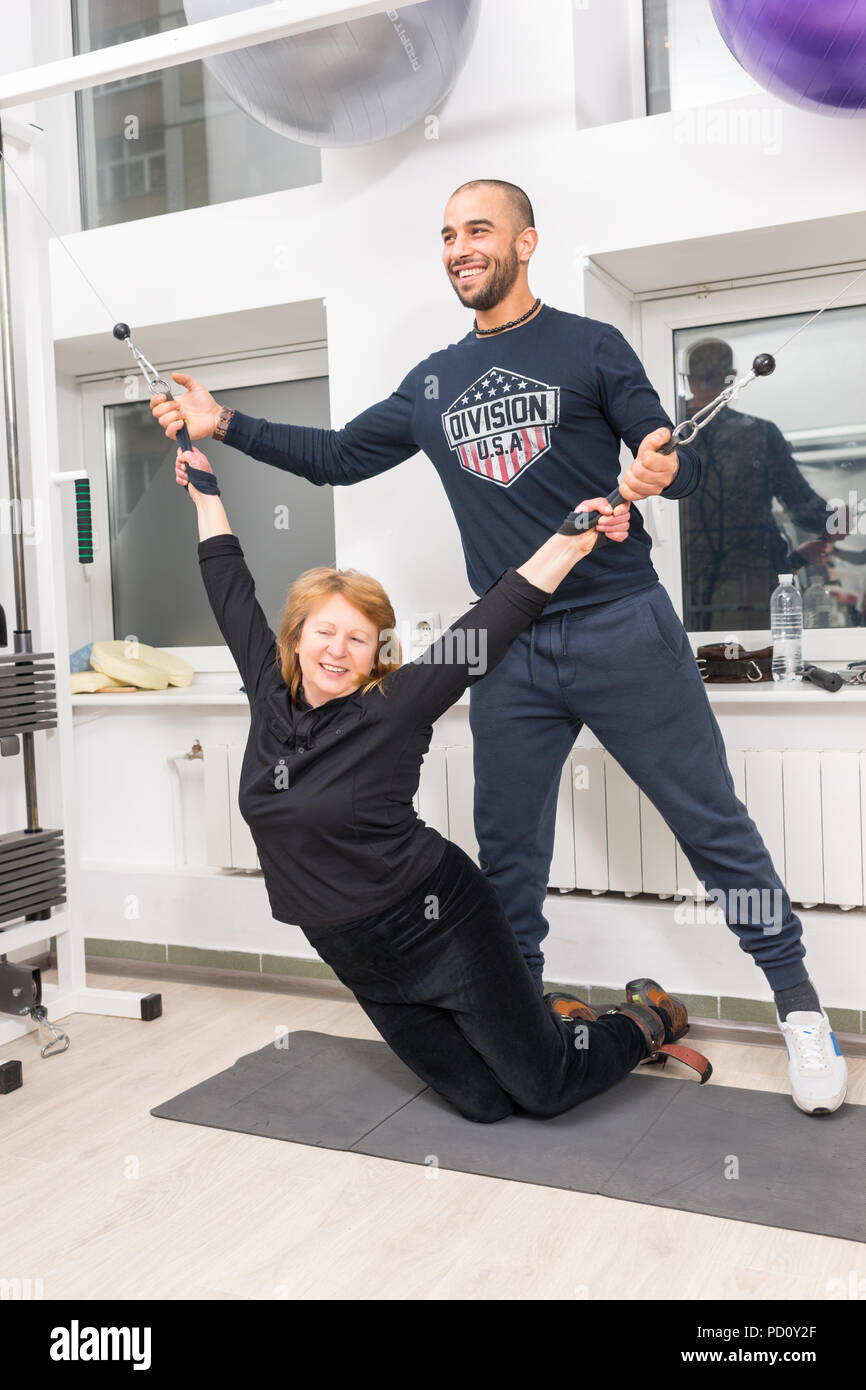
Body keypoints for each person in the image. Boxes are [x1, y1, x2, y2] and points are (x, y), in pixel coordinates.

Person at [152, 179, 847, 1115]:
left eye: (478, 229)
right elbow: (337, 457)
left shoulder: (589, 345)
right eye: (446, 235)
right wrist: (222, 424)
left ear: (526, 242)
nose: (458, 247)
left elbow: (659, 446)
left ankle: (800, 1008)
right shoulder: (432, 381)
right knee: (506, 850)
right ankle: (517, 1017)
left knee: (711, 823)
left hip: (620, 624)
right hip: (508, 644)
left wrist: (657, 460)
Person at [178, 438, 698, 1123]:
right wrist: (204, 493)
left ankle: (641, 1021)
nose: (337, 650)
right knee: (483, 1103)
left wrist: (572, 541)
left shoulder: (397, 707)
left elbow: (497, 615)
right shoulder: (268, 695)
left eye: (357, 639)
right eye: (325, 632)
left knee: (543, 1093)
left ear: (376, 655)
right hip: (351, 950)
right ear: (297, 636)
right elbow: (228, 583)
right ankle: (546, 1023)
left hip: (440, 921)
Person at [677, 338, 848, 632]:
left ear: (687, 380)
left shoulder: (667, 436)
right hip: (751, 584)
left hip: (681, 584)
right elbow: (802, 505)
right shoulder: (758, 434)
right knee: (758, 662)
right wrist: (835, 520)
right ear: (731, 377)